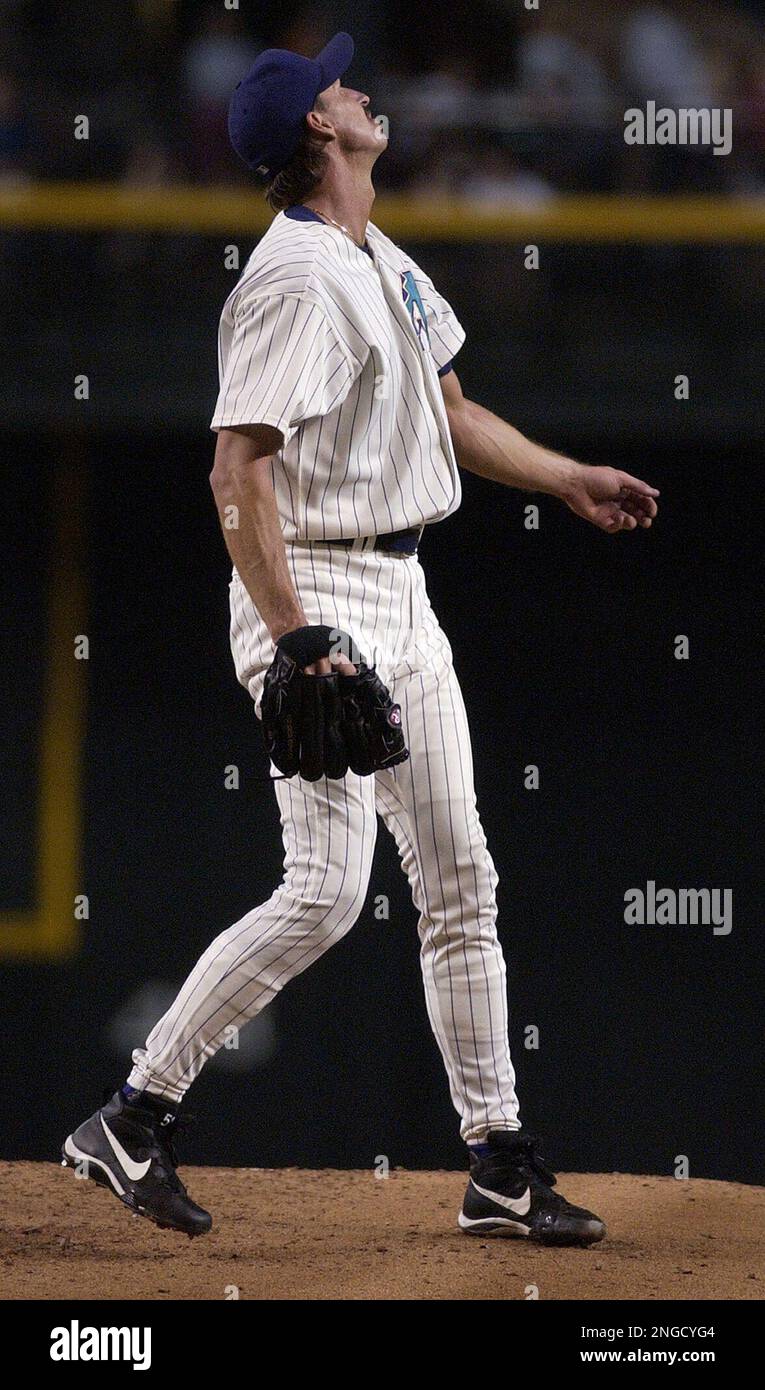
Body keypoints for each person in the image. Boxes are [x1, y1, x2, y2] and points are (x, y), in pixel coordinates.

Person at [62, 33, 658, 1244]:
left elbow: (450, 410)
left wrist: (566, 477)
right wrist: (295, 638)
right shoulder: (295, 278)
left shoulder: (372, 252)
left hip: (402, 590)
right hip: (318, 591)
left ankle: (496, 1163)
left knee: (459, 879)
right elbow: (238, 467)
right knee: (331, 892)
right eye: (339, 88)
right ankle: (132, 1115)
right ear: (317, 134)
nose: (362, 89)